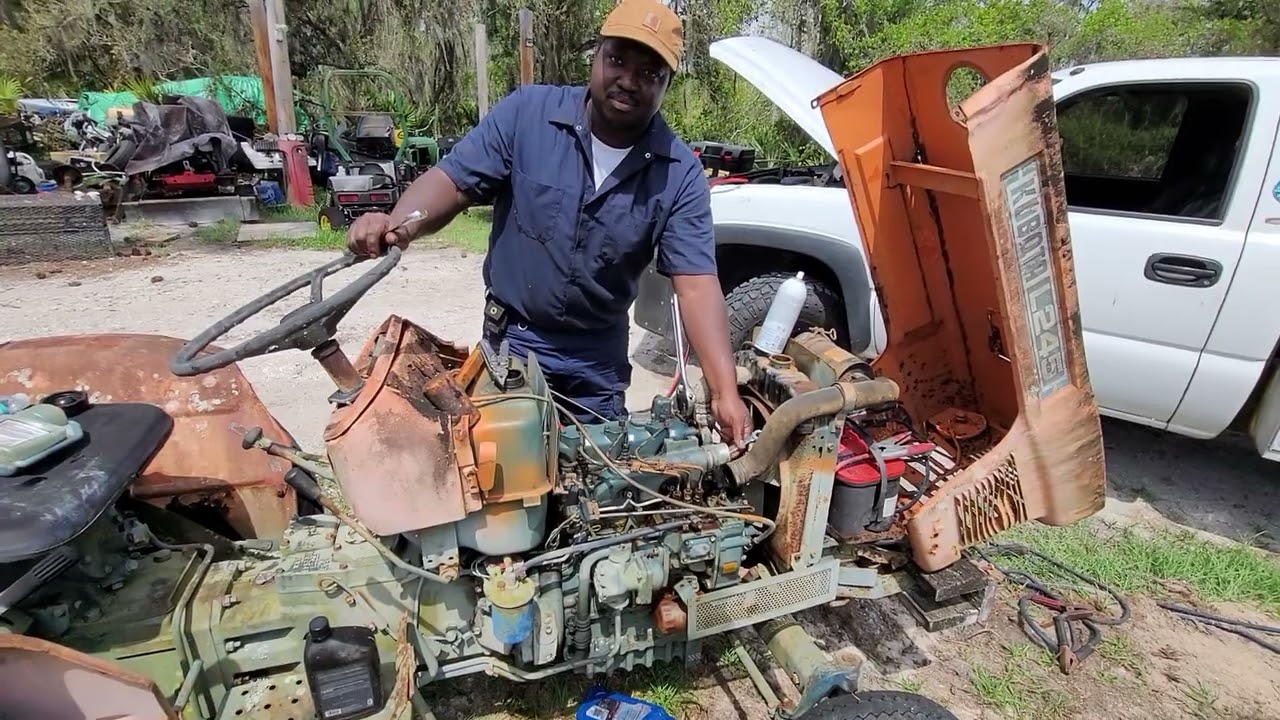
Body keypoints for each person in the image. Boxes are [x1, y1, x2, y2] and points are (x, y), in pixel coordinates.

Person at [346, 0, 753, 448]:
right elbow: (454, 181)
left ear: (667, 84)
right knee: (500, 479)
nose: (629, 80)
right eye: (617, 59)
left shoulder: (679, 172)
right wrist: (399, 223)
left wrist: (724, 391)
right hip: (513, 345)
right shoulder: (527, 116)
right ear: (595, 55)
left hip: (596, 362)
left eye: (650, 72)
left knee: (602, 488)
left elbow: (695, 284)